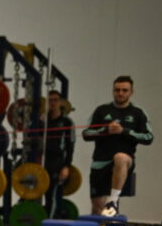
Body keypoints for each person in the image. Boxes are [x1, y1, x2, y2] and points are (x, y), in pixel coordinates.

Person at [81, 75, 153, 216]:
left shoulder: (138, 113)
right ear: (113, 91)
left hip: (125, 161)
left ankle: (113, 199)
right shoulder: (101, 110)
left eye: (124, 90)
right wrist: (105, 130)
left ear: (131, 92)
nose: (120, 93)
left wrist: (124, 131)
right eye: (117, 90)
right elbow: (86, 133)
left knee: (120, 157)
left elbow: (148, 137)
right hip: (100, 162)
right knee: (98, 208)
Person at [37, 90, 75, 217]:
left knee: (51, 195)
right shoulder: (42, 121)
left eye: (55, 100)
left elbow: (70, 147)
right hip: (41, 160)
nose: (53, 103)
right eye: (50, 100)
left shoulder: (67, 122)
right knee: (32, 191)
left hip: (57, 162)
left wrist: (66, 167)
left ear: (60, 102)